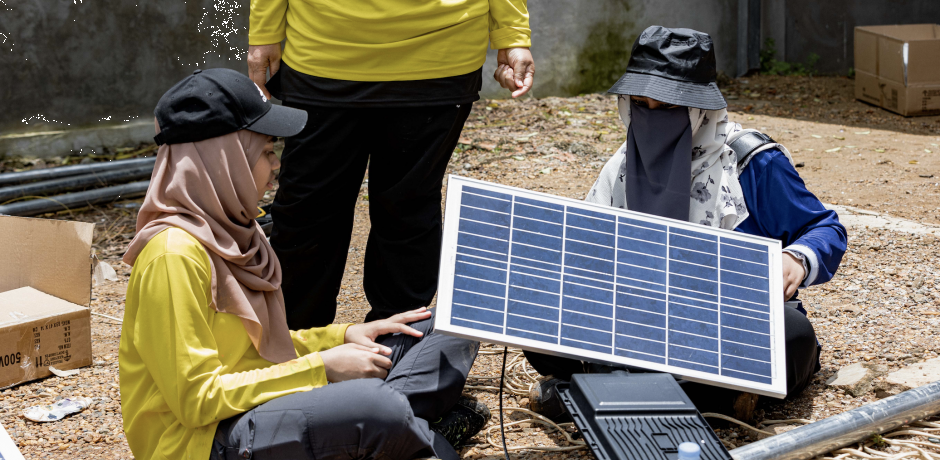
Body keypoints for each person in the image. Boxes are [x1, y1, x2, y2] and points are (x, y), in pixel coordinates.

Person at [119, 68, 487, 460]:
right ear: (225, 160)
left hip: (259, 407)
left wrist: (343, 336)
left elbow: (258, 348)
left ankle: (392, 430)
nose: (276, 164)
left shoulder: (234, 233)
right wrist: (322, 368)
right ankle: (399, 428)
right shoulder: (173, 256)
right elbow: (198, 400)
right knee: (375, 405)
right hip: (205, 440)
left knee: (446, 325)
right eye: (265, 151)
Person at [524, 26, 847, 421]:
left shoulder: (749, 162)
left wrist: (797, 258)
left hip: (723, 322)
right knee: (536, 314)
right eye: (640, 104)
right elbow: (587, 252)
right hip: (635, 320)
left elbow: (825, 228)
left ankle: (596, 393)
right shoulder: (623, 165)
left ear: (700, 109)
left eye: (668, 106)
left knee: (792, 337)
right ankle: (699, 398)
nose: (651, 117)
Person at [247, 0, 536, 329]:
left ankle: (395, 350)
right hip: (325, 49)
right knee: (307, 211)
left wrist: (513, 35)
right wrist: (265, 32)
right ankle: (291, 346)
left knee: (408, 209)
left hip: (439, 50)